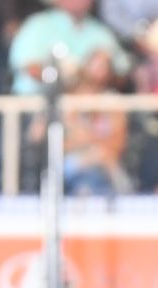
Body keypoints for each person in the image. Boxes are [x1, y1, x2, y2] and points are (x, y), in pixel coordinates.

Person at [8, 0, 128, 94]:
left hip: (90, 109)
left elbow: (121, 72)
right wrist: (59, 76)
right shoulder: (38, 25)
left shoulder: (101, 32)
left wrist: (103, 74)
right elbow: (29, 67)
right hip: (38, 106)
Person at [60, 54, 130, 192]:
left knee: (102, 172)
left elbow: (117, 144)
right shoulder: (69, 110)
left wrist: (94, 146)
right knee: (76, 169)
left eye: (90, 89)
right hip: (77, 166)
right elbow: (62, 146)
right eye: (82, 89)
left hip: (104, 165)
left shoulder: (110, 104)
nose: (86, 95)